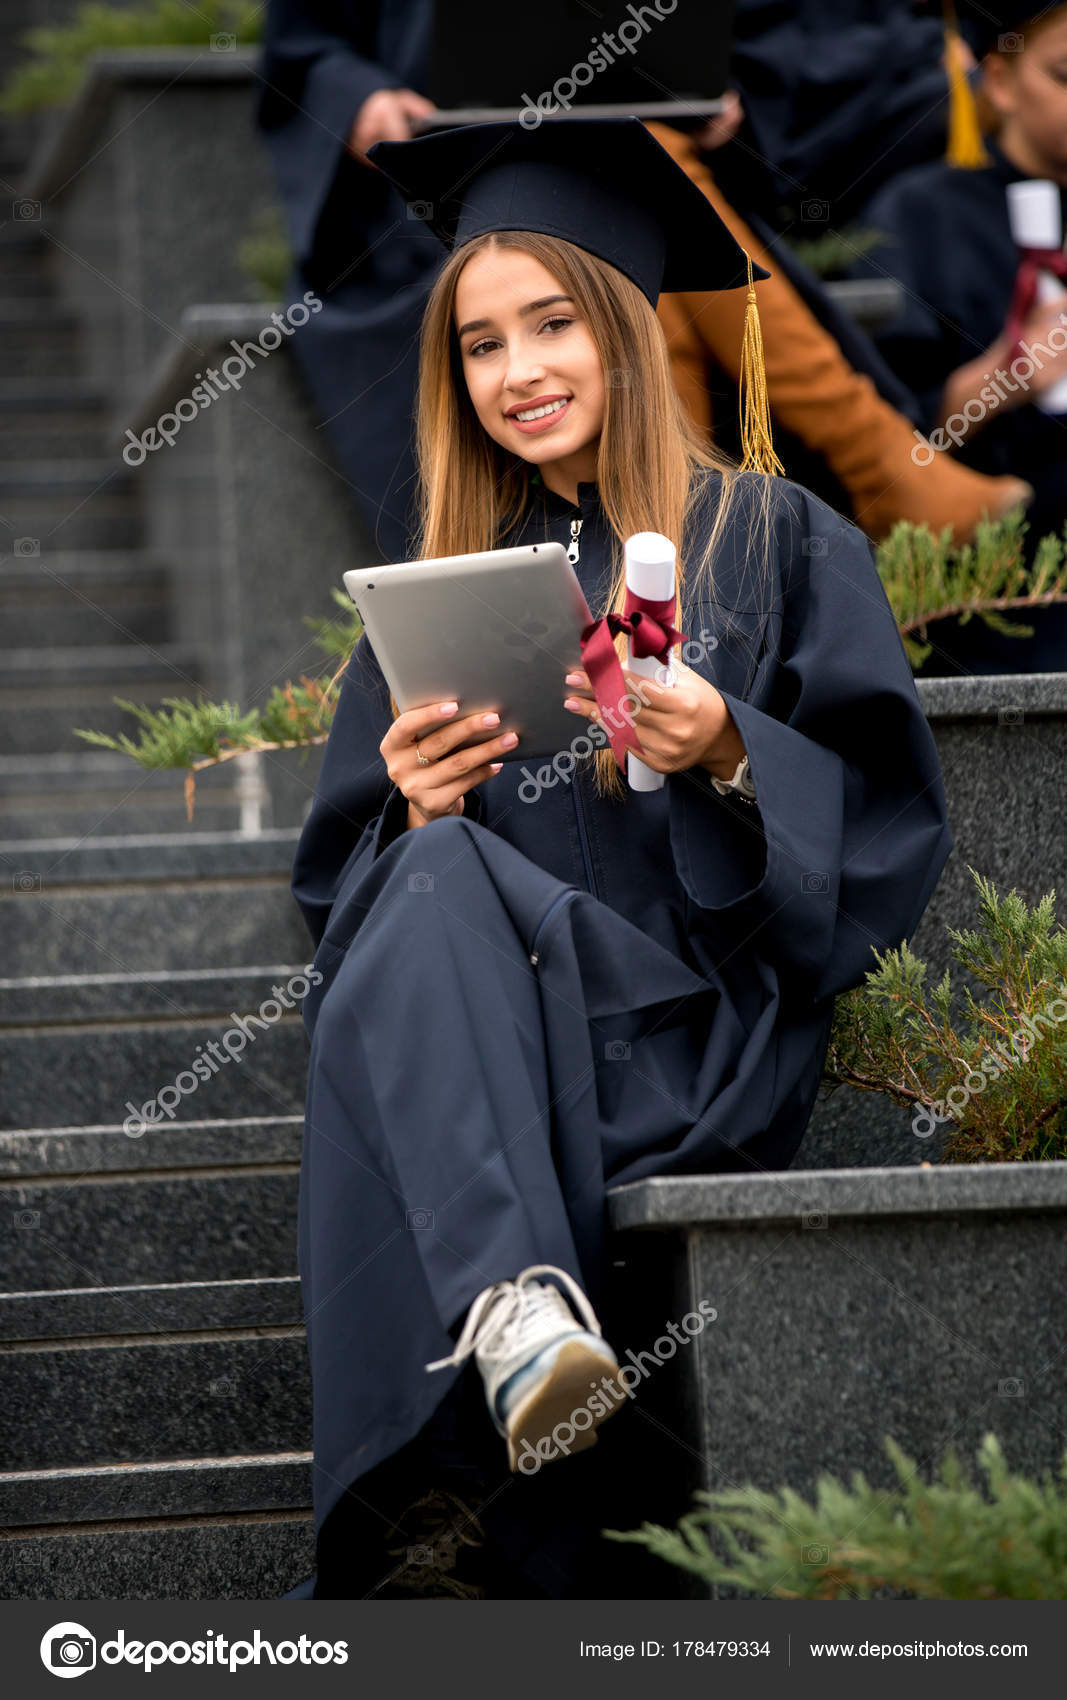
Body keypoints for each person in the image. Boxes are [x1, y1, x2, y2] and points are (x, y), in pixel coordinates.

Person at [285, 116, 954, 1601]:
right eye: (475, 345)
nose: (513, 371)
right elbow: (343, 919)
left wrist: (728, 748)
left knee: (433, 905)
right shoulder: (440, 599)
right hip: (507, 1058)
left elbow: (883, 846)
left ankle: (436, 1476)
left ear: (630, 330)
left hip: (686, 1044)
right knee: (428, 871)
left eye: (548, 326)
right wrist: (414, 808)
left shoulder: (775, 544)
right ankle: (521, 1324)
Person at [852, 0, 1067, 668]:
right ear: (999, 82)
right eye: (1063, 74)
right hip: (989, 584)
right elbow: (892, 437)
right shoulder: (919, 215)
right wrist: (1007, 374)